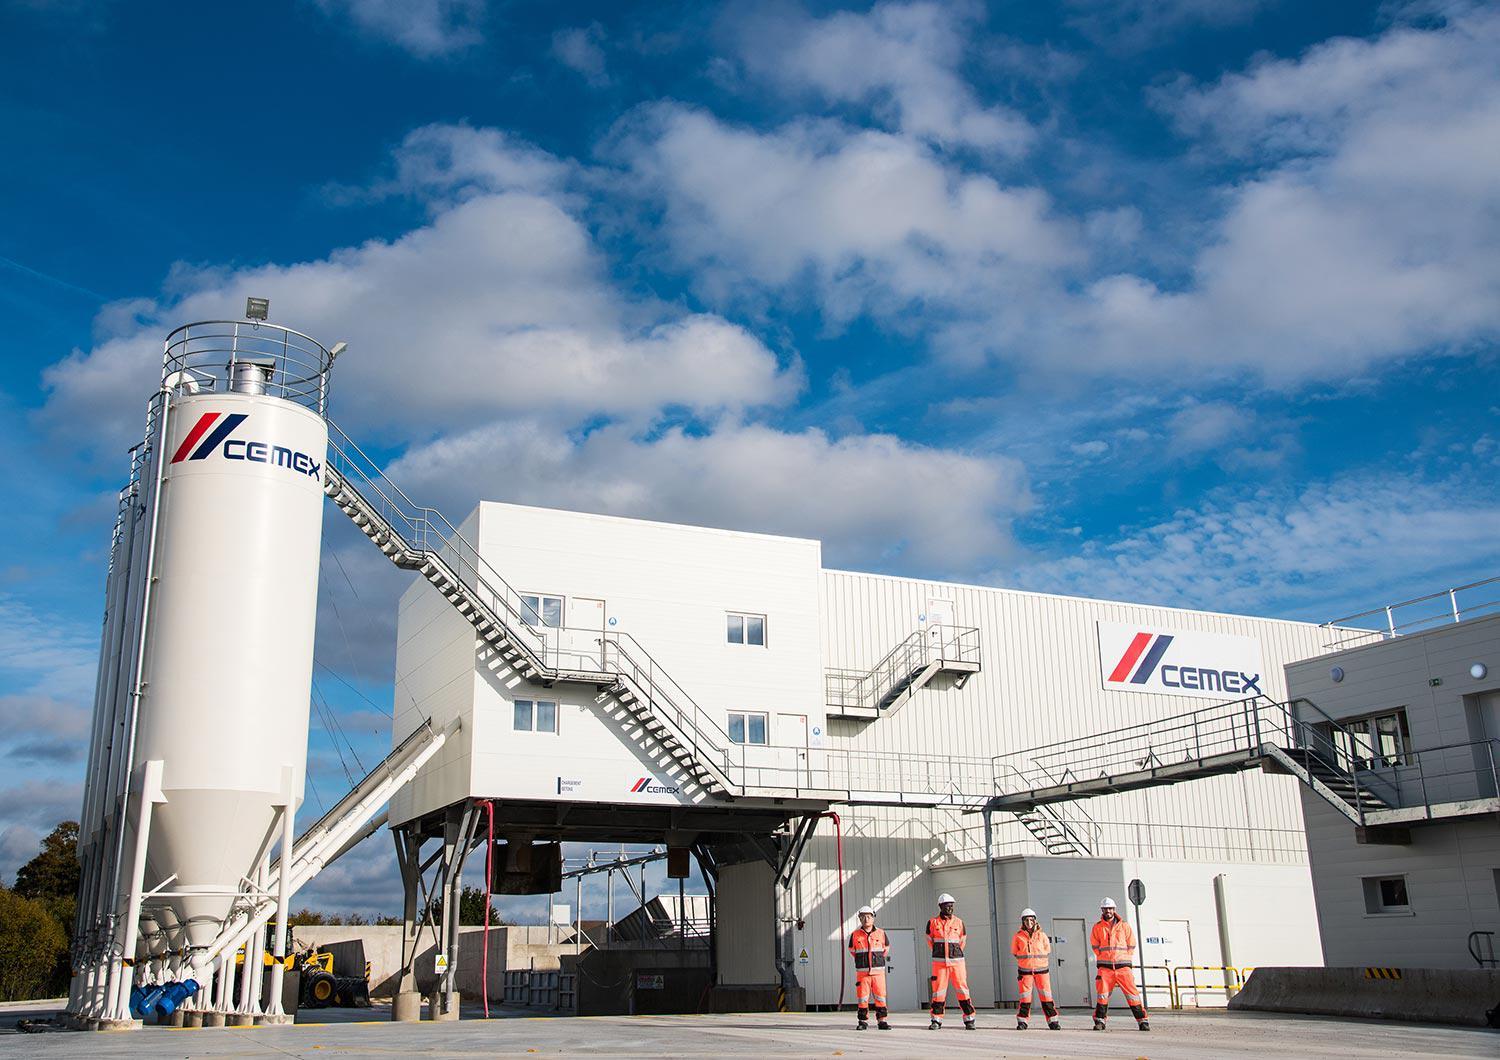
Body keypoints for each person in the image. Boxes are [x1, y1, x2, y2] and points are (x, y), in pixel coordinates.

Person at [1091, 897, 1149, 1031]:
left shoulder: (1124, 926)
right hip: (1105, 968)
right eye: (1106, 909)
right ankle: (1100, 1021)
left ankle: (1142, 1021)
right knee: (1102, 995)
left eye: (1110, 909)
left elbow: (1131, 943)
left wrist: (1126, 957)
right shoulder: (1098, 927)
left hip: (1123, 967)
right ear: (1102, 910)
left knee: (1132, 994)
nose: (1108, 911)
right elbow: (1095, 945)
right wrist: (1102, 956)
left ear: (1114, 910)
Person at [926, 893, 976, 1030]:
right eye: (947, 906)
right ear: (940, 906)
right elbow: (930, 942)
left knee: (962, 990)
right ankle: (936, 1020)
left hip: (957, 963)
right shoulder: (932, 923)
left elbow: (962, 941)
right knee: (938, 992)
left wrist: (953, 954)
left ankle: (969, 1019)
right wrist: (941, 954)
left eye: (951, 906)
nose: (950, 908)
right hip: (939, 964)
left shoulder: (959, 923)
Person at [1011, 908, 1060, 1030]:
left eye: (1031, 920)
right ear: (1023, 922)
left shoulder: (1042, 936)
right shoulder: (1018, 937)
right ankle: (1022, 1022)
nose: (1029, 922)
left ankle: (1053, 1021)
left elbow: (1047, 950)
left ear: (1035, 921)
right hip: (1025, 972)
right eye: (1026, 920)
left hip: (1042, 971)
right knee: (1025, 998)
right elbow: (1015, 952)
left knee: (1047, 997)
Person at [848, 904, 891, 1031]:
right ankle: (862, 1021)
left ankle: (882, 1021)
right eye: (863, 917)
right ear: (860, 919)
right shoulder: (855, 935)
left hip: (878, 973)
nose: (866, 919)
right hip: (863, 973)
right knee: (862, 998)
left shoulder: (881, 933)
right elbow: (852, 951)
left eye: (869, 916)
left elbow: (885, 950)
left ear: (873, 918)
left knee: (881, 997)